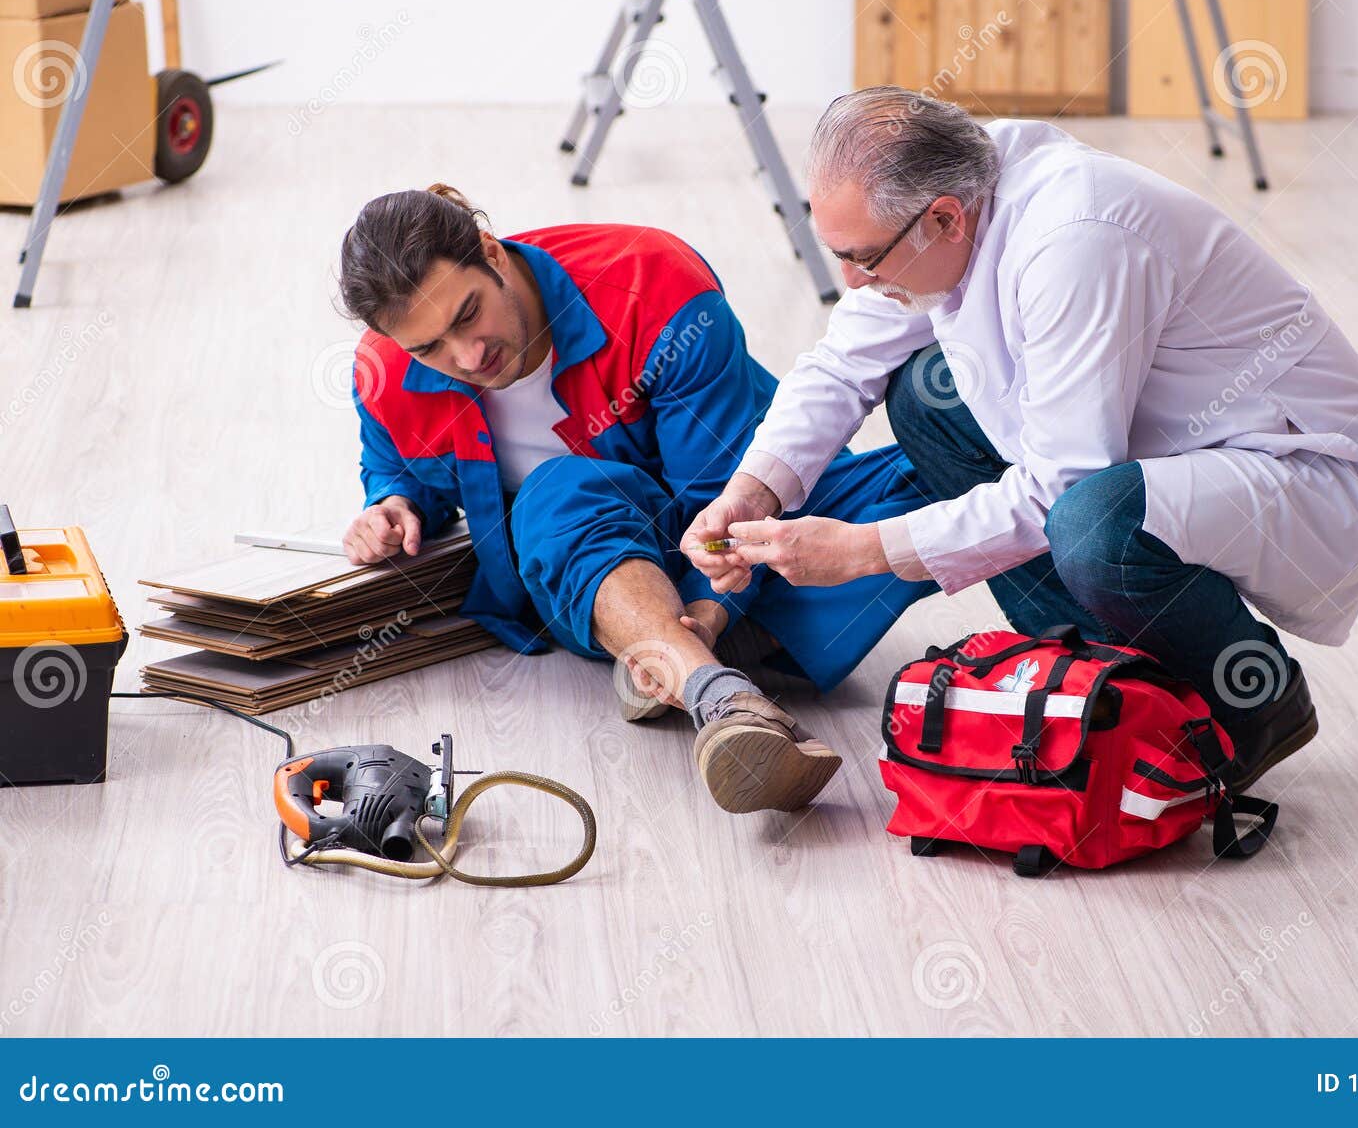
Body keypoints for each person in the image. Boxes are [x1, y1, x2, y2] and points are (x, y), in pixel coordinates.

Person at [685, 88, 1358, 790]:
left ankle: (1252, 701)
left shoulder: (1076, 237)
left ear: (944, 220)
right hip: (1169, 444)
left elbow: (1062, 484)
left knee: (1092, 526)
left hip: (1302, 464)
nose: (853, 280)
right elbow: (842, 364)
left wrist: (866, 552)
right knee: (926, 398)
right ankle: (1112, 687)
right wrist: (751, 492)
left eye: (864, 258)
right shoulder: (956, 195)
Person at [337, 184, 935, 814]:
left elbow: (725, 497)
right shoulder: (384, 371)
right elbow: (395, 466)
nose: (465, 356)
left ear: (491, 252)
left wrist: (710, 606)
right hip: (589, 557)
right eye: (428, 348)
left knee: (939, 469)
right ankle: (722, 697)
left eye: (467, 315)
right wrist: (394, 504)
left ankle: (664, 650)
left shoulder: (652, 283)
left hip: (745, 524)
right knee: (558, 486)